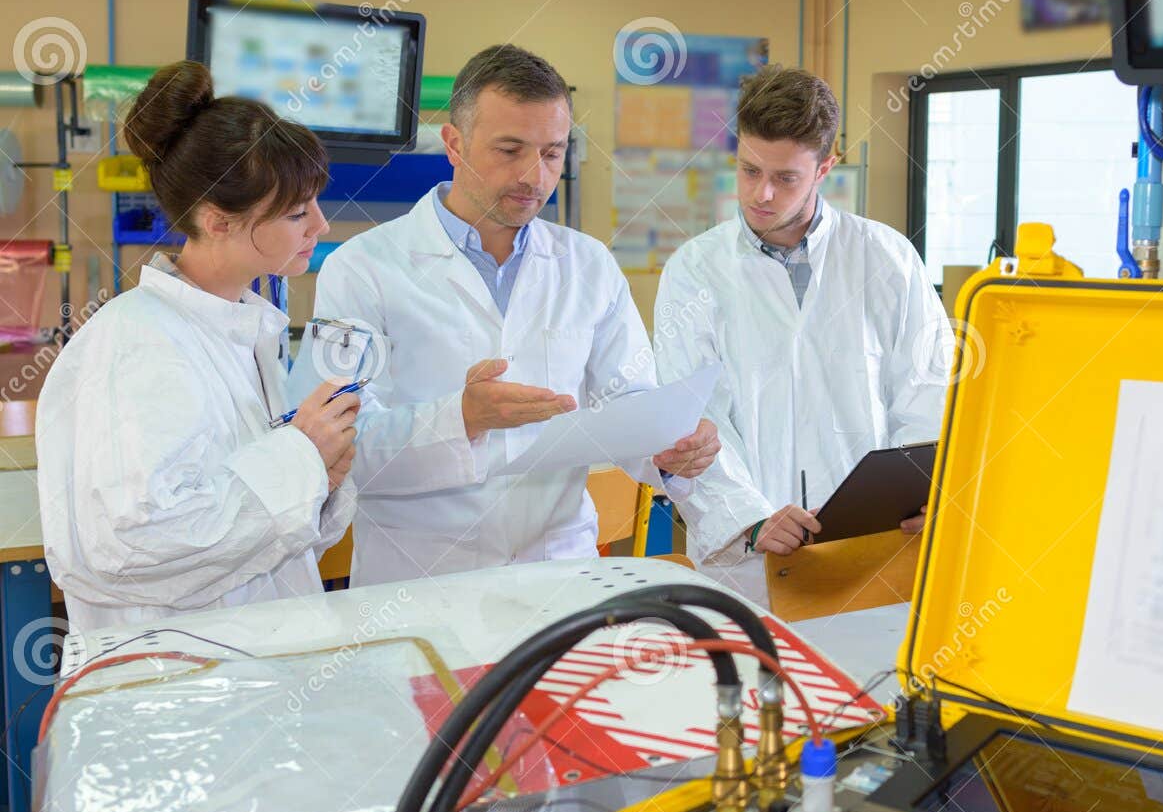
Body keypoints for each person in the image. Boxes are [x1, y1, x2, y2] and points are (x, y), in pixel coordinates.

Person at [35, 61, 356, 812]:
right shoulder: (136, 348)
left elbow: (272, 522)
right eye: (298, 213)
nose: (321, 229)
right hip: (168, 713)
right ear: (219, 221)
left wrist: (324, 469)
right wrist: (301, 458)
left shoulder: (244, 327)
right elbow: (132, 540)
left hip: (247, 698)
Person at [308, 45, 719, 586]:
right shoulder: (360, 269)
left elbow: (628, 403)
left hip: (560, 573)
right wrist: (463, 418)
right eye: (509, 149)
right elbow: (341, 446)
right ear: (454, 144)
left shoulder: (587, 263)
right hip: (420, 582)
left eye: (552, 153)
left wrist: (669, 447)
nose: (534, 175)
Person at [653, 66, 952, 604]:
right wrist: (750, 519)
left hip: (874, 550)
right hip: (747, 564)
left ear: (825, 169)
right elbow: (695, 423)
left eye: (786, 177)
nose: (760, 194)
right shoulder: (696, 270)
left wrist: (922, 493)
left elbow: (928, 395)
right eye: (749, 170)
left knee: (864, 683)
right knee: (744, 684)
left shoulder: (886, 259)